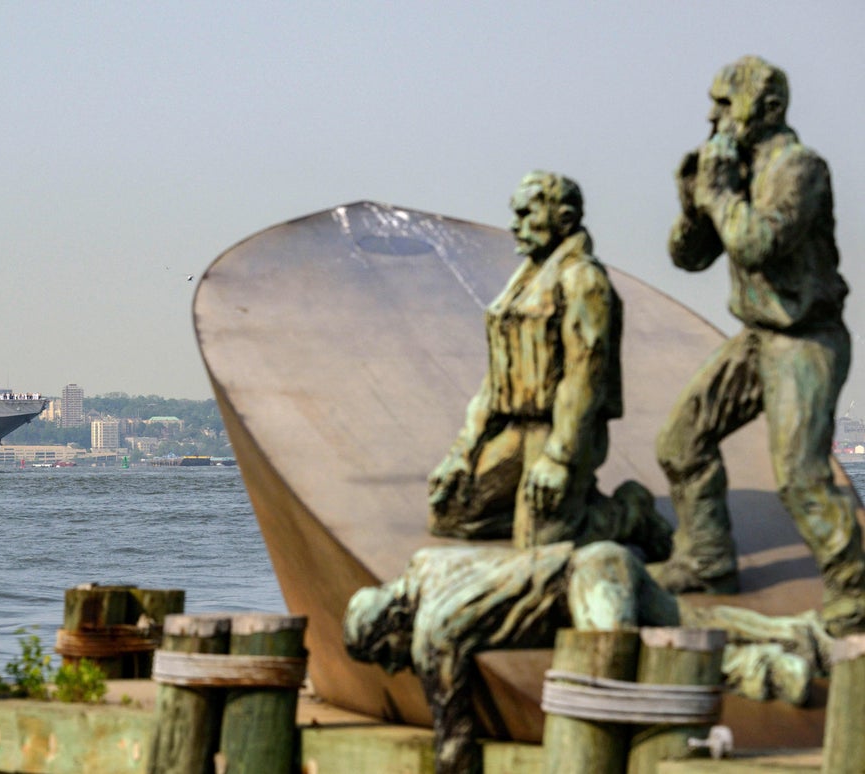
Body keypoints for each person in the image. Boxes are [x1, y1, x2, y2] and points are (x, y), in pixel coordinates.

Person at [654, 56, 865, 636]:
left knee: (800, 477)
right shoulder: (736, 169)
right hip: (758, 337)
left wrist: (720, 191)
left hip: (805, 341)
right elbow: (689, 257)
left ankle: (854, 586)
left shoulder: (799, 168)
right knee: (681, 440)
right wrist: (693, 201)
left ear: (769, 110)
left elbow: (755, 244)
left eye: (725, 103)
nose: (712, 115)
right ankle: (707, 559)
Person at [344, 540, 827, 774]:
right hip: (601, 557)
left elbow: (454, 738)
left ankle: (773, 670)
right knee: (688, 620)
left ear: (391, 625)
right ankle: (800, 634)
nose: (393, 667)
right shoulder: (427, 565)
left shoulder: (434, 630)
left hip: (585, 584)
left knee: (636, 655)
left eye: (385, 655)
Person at [428, 171, 669, 560]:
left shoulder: (584, 281)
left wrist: (559, 456)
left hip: (560, 431)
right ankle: (559, 511)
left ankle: (629, 514)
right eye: (515, 214)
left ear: (565, 220)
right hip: (515, 429)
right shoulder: (523, 281)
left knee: (541, 543)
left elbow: (583, 375)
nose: (514, 225)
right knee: (449, 510)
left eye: (526, 215)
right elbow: (496, 377)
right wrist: (464, 449)